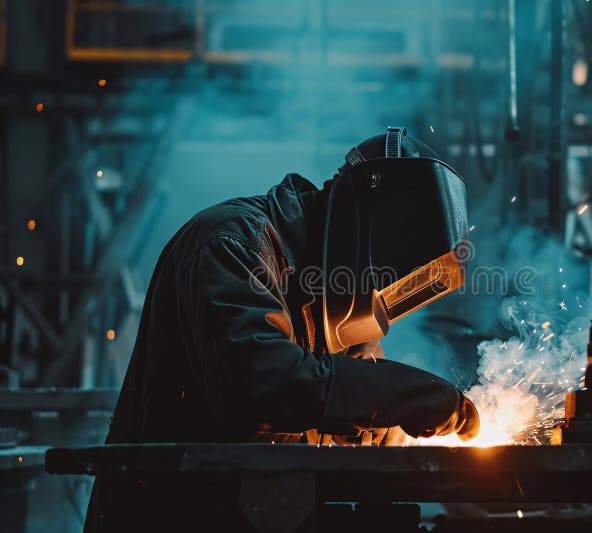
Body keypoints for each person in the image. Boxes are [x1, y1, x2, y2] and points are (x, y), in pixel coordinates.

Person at [84, 127, 479, 532]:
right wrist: (402, 395)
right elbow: (264, 382)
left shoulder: (332, 295)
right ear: (372, 221)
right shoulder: (233, 243)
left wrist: (381, 421)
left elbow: (346, 391)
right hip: (167, 515)